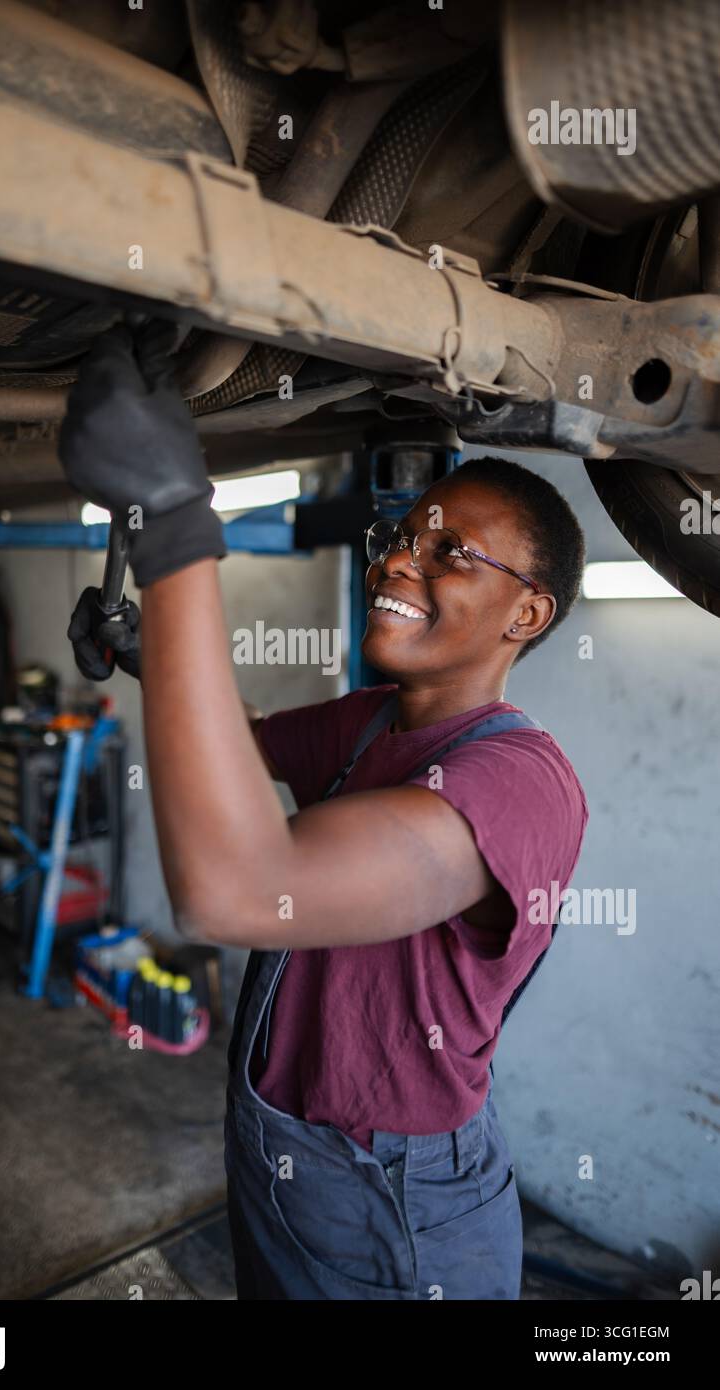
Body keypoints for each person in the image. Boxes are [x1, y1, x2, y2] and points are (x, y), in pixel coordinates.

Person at [59, 321, 589, 1301]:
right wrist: (145, 654)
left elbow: (238, 892)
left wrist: (176, 518)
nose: (395, 562)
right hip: (280, 1140)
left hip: (391, 1197)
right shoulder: (369, 723)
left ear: (526, 614)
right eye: (404, 538)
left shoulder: (518, 782)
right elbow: (241, 738)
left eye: (452, 553)